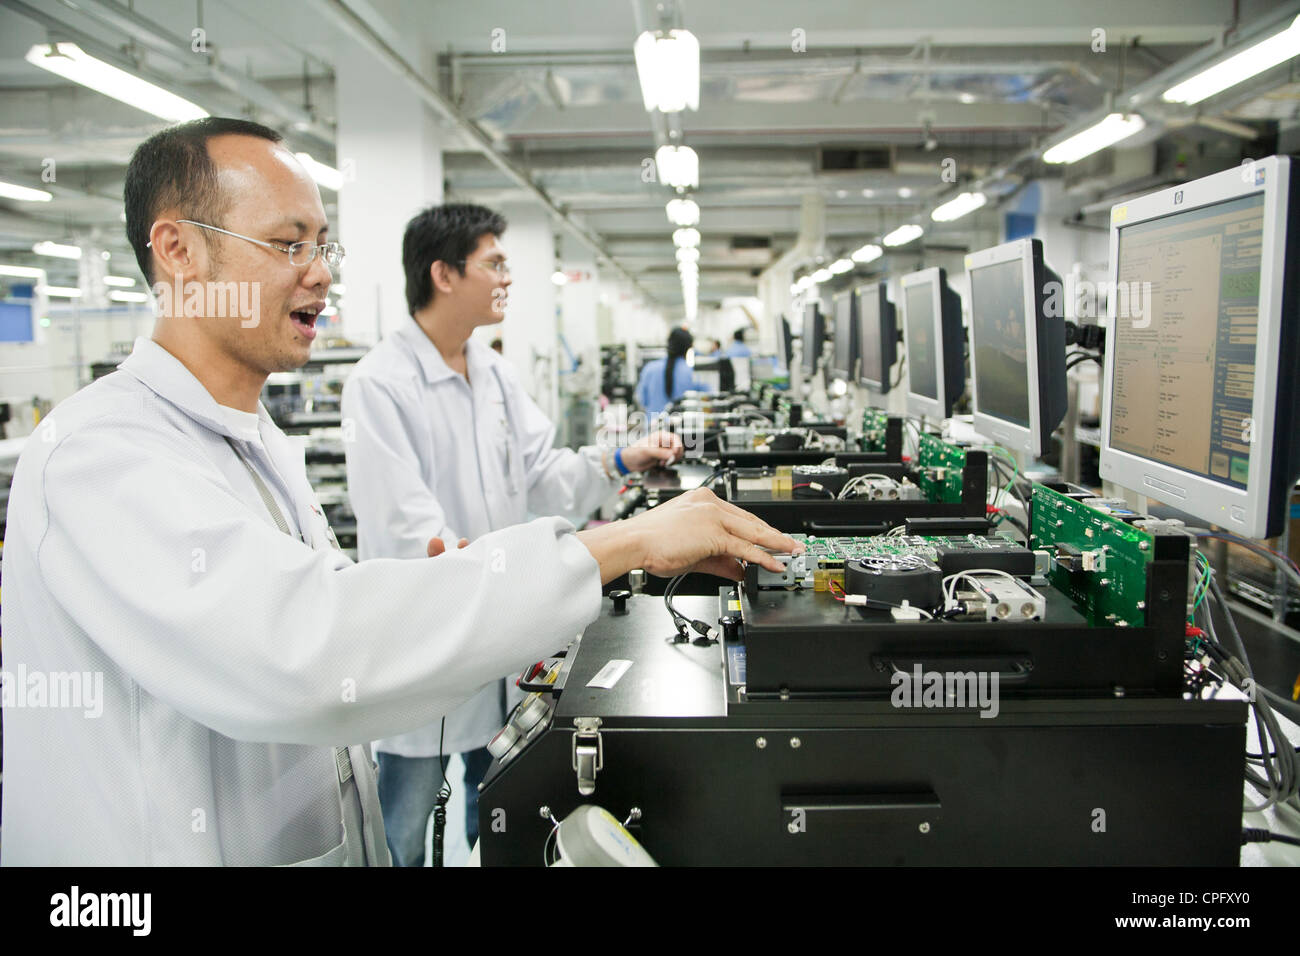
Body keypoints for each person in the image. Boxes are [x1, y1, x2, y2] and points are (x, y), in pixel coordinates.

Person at [0, 117, 800, 866]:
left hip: (438, 665)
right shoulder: (100, 455)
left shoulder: (257, 441)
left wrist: (608, 487)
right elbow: (308, 647)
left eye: (324, 246)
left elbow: (351, 605)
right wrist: (616, 547)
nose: (320, 274)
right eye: (287, 244)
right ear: (177, 251)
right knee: (417, 796)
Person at [340, 203, 684, 865]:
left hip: (499, 641)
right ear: (443, 273)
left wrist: (619, 460)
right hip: (427, 642)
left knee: (493, 804)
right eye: (493, 263)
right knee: (406, 827)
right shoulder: (381, 385)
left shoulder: (494, 373)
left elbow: (542, 475)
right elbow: (411, 531)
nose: (506, 277)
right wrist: (522, 572)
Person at [635, 326, 710, 417]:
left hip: (654, 428)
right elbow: (707, 403)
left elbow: (642, 400)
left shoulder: (649, 369)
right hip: (685, 428)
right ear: (689, 347)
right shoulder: (694, 373)